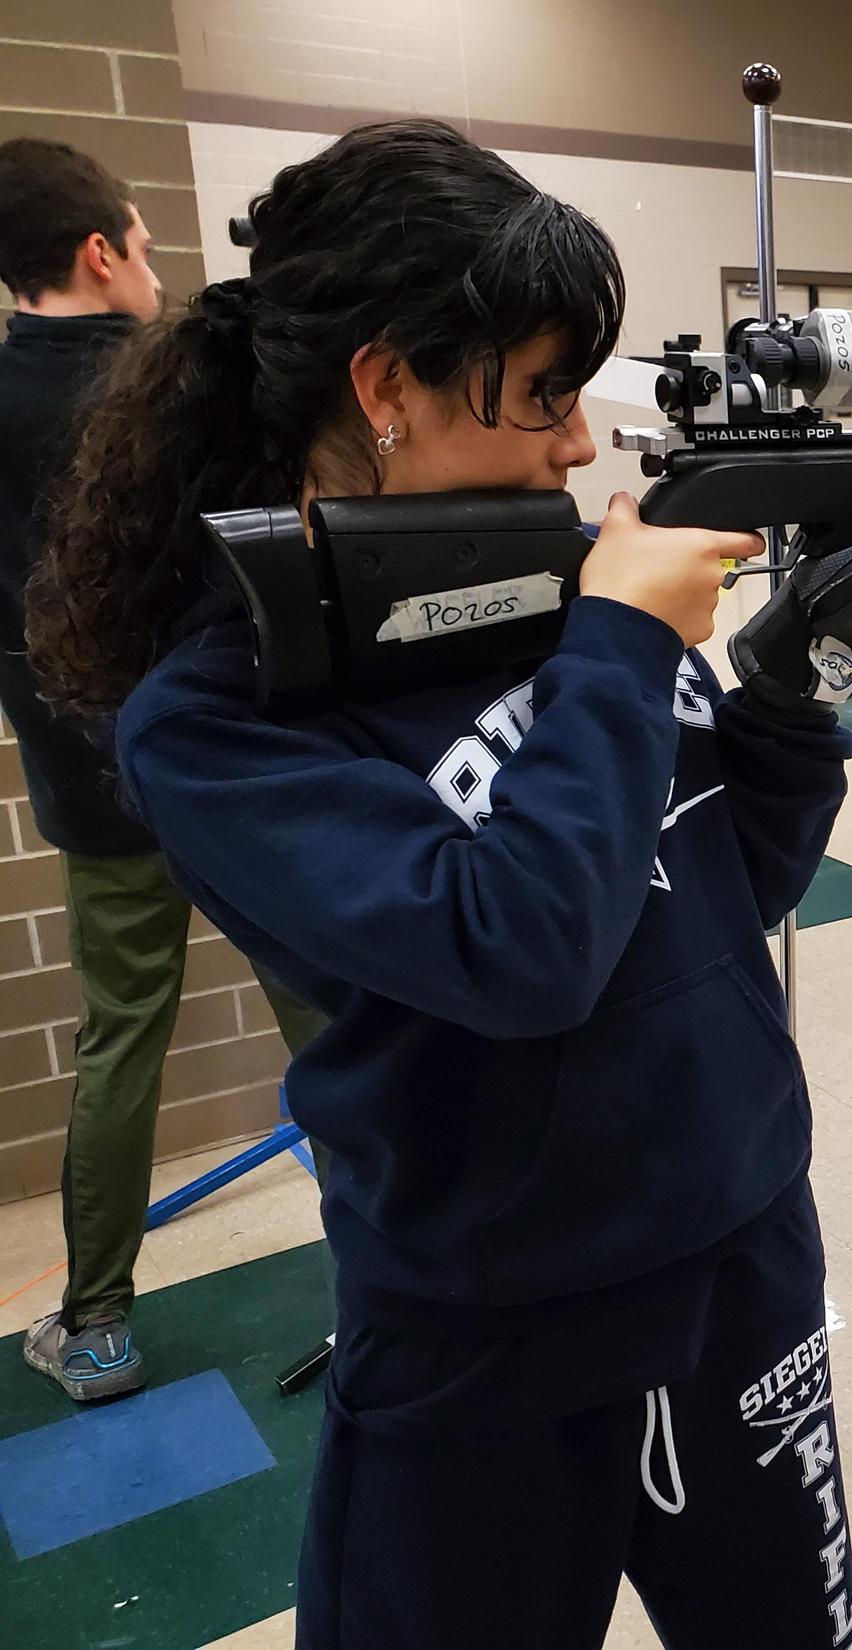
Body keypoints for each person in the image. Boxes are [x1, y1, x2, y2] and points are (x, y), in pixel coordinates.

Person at [29, 119, 852, 1648]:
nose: (577, 445)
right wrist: (619, 643)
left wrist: (809, 657)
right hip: (489, 1329)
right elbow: (519, 948)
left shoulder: (557, 592)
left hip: (739, 1254)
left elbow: (730, 874)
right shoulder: (215, 719)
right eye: (544, 393)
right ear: (387, 388)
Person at [0, 136, 327, 1402]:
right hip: (238, 768)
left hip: (93, 793)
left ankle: (95, 1327)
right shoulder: (191, 383)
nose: (152, 269)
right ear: (99, 251)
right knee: (322, 1008)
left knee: (118, 1041)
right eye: (141, 246)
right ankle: (405, 1261)